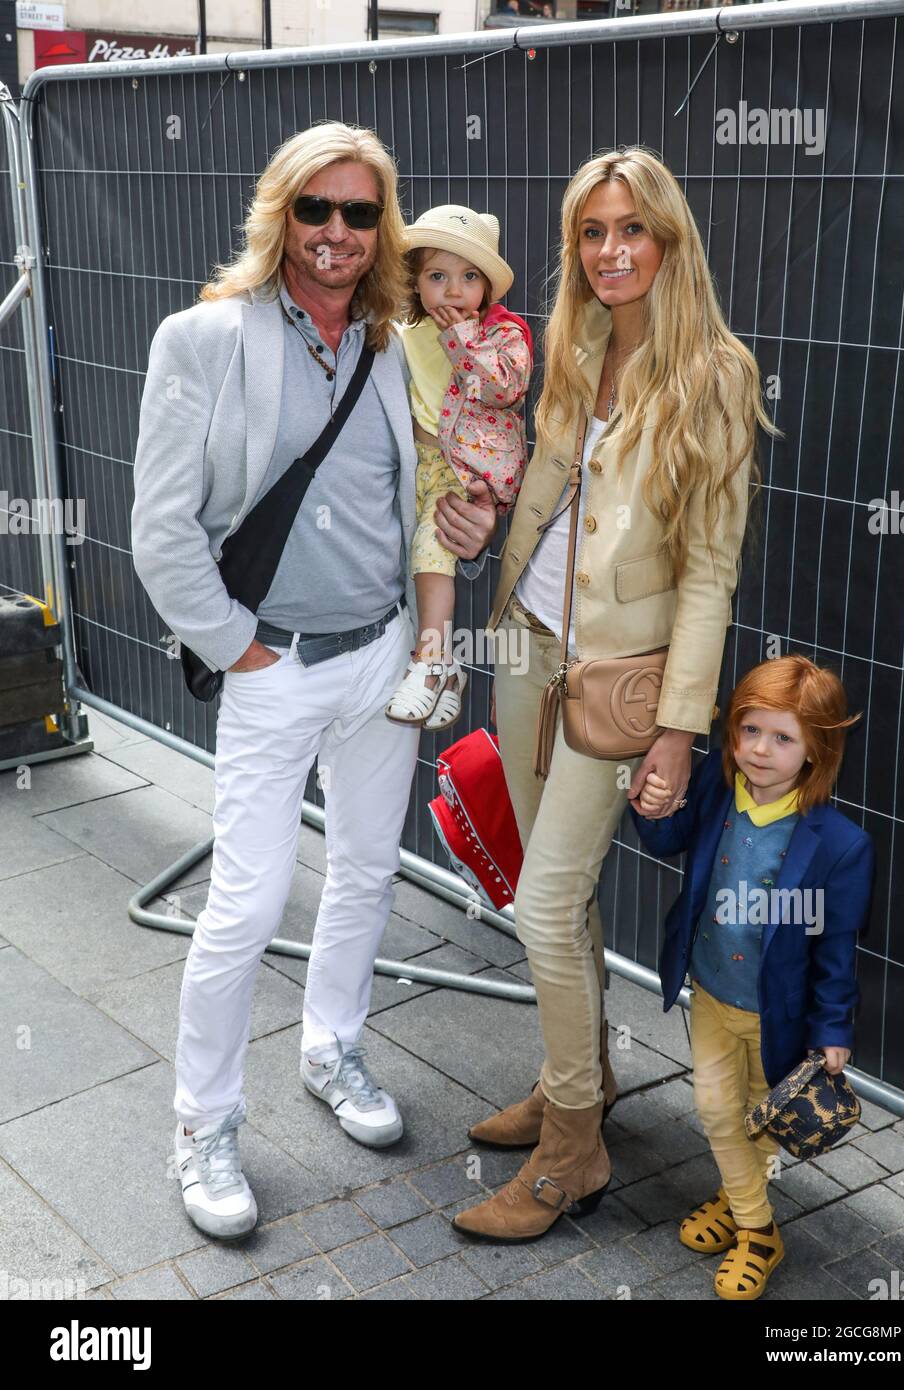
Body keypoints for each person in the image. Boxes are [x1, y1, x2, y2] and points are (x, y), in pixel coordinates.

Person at [130, 120, 496, 1240]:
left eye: (361, 212)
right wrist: (241, 644)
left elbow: (425, 498)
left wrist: (459, 538)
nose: (337, 232)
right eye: (315, 209)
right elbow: (161, 531)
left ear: (383, 228)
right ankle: (205, 1123)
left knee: (367, 871)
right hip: (274, 663)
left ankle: (332, 1046)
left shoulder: (397, 347)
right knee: (243, 904)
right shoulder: (204, 338)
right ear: (279, 215)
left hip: (380, 655)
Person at [453, 144, 780, 1244]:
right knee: (564, 901)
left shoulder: (717, 374)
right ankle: (568, 1081)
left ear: (669, 239)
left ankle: (574, 1148)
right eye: (591, 232)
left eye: (631, 229)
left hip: (618, 682)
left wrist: (681, 732)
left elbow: (711, 570)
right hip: (527, 649)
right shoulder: (573, 345)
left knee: (546, 902)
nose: (609, 251)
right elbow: (548, 495)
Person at [629, 654, 875, 1300]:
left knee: (758, 1117)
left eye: (782, 737)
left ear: (815, 752)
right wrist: (653, 804)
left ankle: (734, 1197)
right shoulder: (714, 782)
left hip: (778, 1014)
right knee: (716, 1109)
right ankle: (757, 1230)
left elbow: (834, 950)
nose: (759, 750)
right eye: (749, 731)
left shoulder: (838, 844)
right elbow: (667, 836)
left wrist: (830, 1029)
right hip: (710, 991)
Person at [385, 205, 533, 732]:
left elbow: (504, 389)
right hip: (415, 462)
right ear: (416, 282)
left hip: (462, 469)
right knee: (415, 560)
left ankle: (430, 660)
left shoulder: (502, 334)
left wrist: (463, 341)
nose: (453, 291)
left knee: (432, 555)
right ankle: (447, 670)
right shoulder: (405, 328)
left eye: (469, 277)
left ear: (488, 288)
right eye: (437, 276)